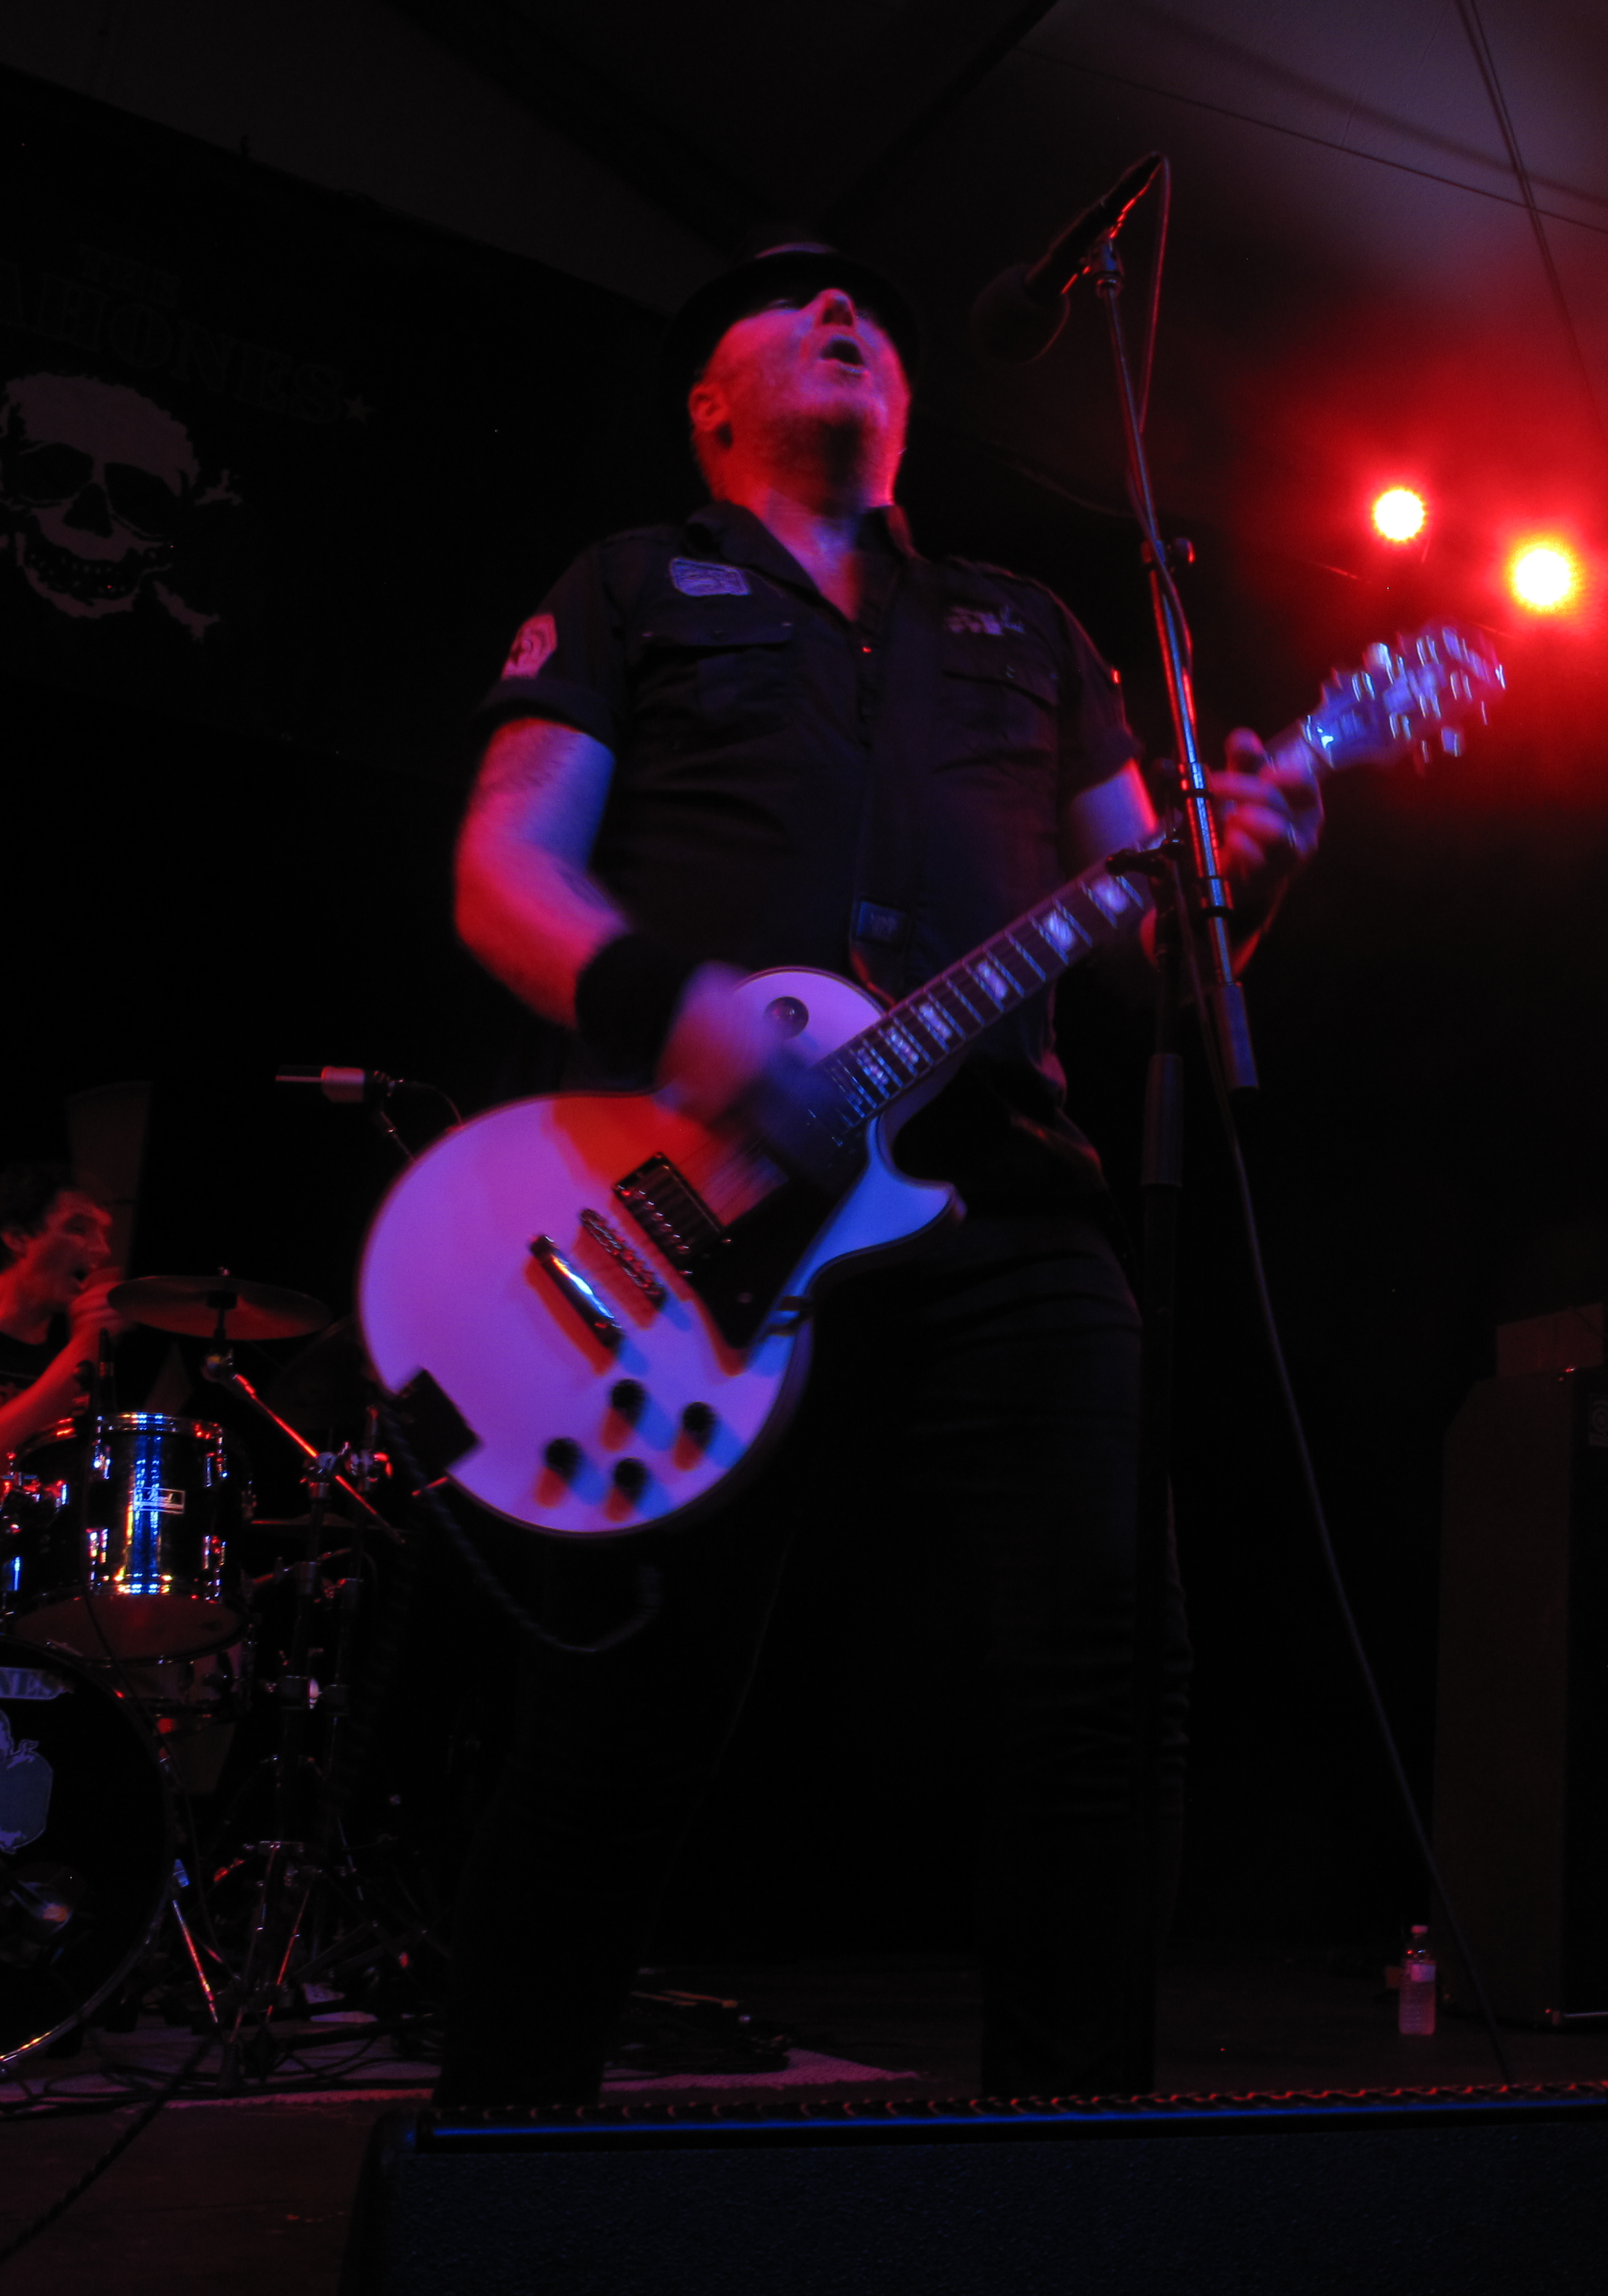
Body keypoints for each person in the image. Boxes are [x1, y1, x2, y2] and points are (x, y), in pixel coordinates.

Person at [435, 240, 1322, 2106]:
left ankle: (1070, 2162)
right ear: (713, 402)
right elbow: (504, 866)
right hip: (690, 1206)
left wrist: (1261, 868)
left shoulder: (1034, 630)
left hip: (997, 1190)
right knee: (628, 1695)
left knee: (1102, 1675)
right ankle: (499, 2150)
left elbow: (1164, 949)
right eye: (793, 306)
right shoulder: (629, 584)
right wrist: (681, 1019)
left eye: (873, 314)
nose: (848, 317)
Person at [0, 1163, 127, 1478]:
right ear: (17, 1237)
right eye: (78, 1228)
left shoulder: (68, 1362)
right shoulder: (76, 1359)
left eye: (105, 1234)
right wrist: (85, 1348)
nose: (103, 1250)